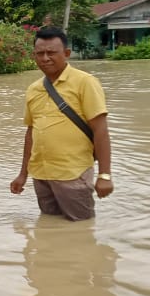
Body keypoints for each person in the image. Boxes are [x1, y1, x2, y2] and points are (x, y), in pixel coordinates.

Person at [9, 25, 114, 221]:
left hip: (73, 174)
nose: (45, 58)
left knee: (81, 230)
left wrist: (105, 175)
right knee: (49, 226)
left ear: (66, 53)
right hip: (41, 175)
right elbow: (31, 133)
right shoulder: (34, 89)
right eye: (40, 53)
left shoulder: (85, 82)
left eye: (51, 53)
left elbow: (101, 130)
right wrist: (23, 174)